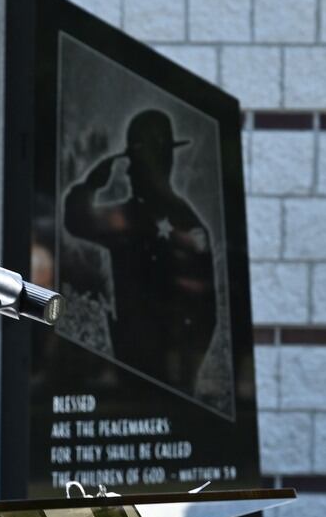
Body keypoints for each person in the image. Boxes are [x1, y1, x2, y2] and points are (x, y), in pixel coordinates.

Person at [62, 108, 219, 399]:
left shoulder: (140, 217)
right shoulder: (184, 217)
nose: (132, 170)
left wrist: (89, 187)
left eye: (137, 161)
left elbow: (78, 220)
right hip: (159, 358)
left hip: (148, 355)